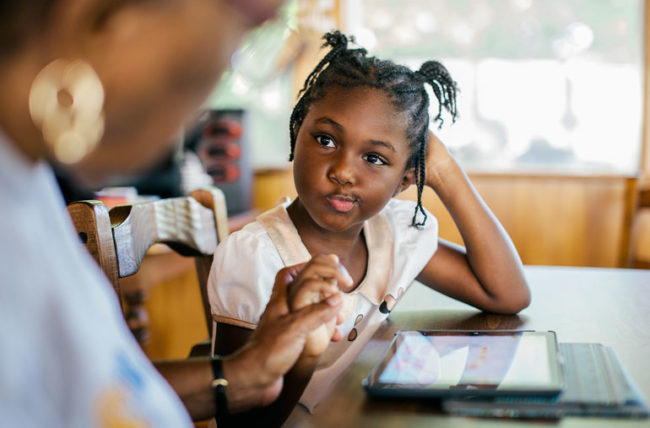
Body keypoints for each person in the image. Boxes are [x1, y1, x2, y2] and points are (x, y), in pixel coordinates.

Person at [0, 1, 348, 426]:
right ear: (102, 17)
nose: (207, 103)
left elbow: (93, 389)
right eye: (248, 29)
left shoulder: (27, 184)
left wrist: (247, 372)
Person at [208, 31, 532, 425]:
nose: (343, 172)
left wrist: (444, 171)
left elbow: (507, 294)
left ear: (405, 182)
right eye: (325, 140)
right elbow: (237, 422)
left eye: (375, 158)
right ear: (297, 133)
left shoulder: (393, 234)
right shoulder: (254, 256)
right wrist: (305, 349)